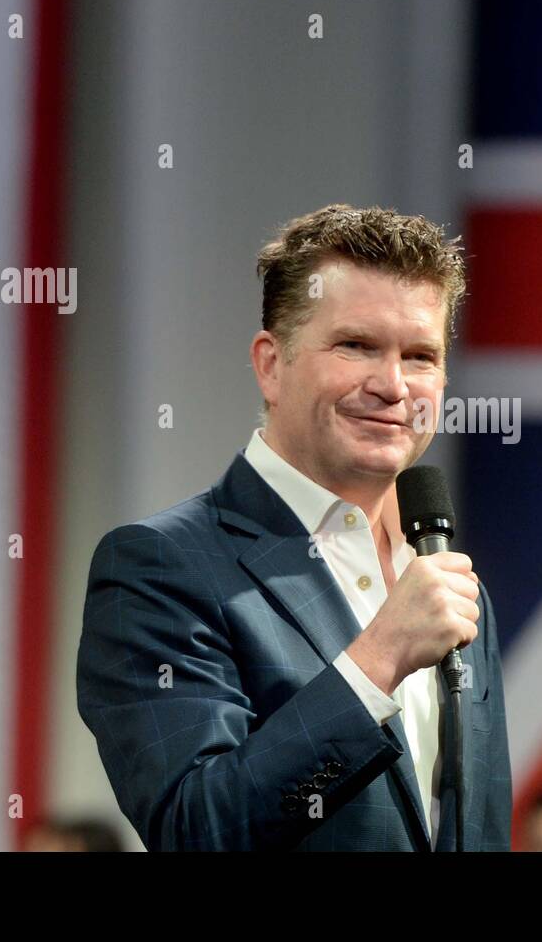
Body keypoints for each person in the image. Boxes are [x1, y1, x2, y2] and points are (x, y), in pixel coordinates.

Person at [77, 204, 512, 851]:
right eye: (357, 345)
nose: (393, 385)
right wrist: (378, 661)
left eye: (420, 355)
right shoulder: (158, 566)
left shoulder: (445, 577)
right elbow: (199, 830)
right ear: (270, 365)